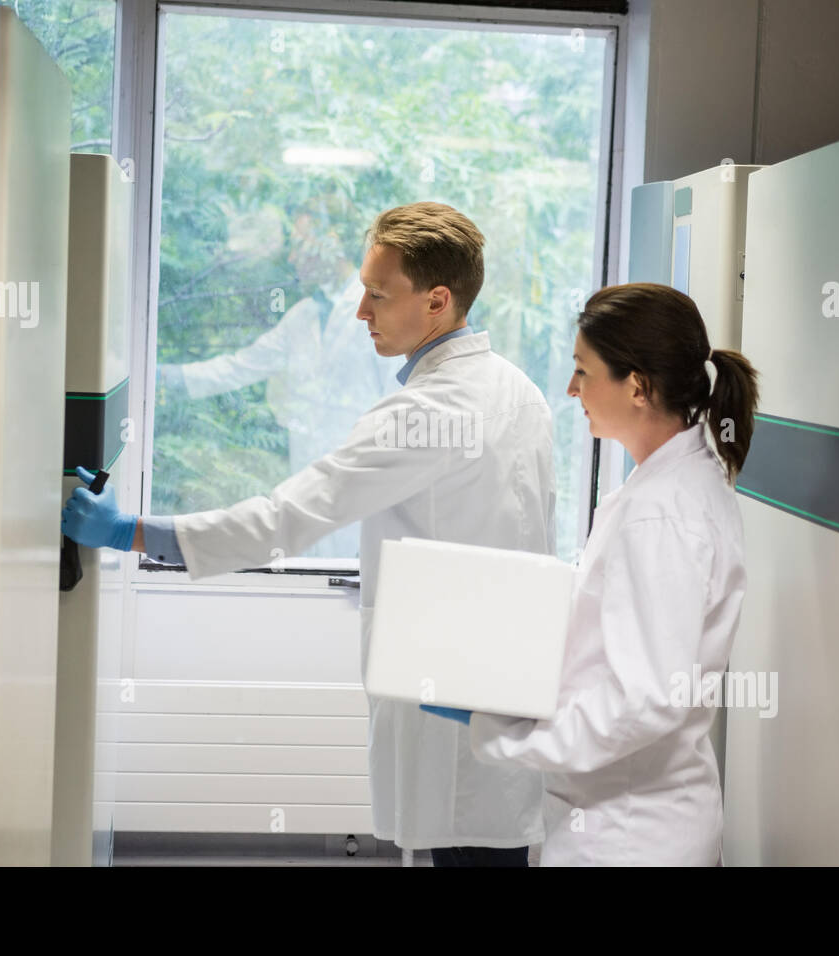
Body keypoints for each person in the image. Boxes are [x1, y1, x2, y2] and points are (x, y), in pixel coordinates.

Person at [64, 202, 555, 866]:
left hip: (453, 715)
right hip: (503, 694)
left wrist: (132, 533)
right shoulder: (518, 391)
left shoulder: (423, 413)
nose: (361, 312)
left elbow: (284, 519)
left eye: (378, 295)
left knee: (468, 852)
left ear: (438, 301)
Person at [423, 282, 759, 866]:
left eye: (583, 370)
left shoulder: (663, 513)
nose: (571, 388)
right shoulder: (662, 487)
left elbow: (645, 700)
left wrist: (505, 730)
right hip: (624, 816)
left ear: (636, 386)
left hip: (629, 834)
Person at [157, 198, 402, 558]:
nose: (291, 258)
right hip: (309, 475)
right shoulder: (302, 316)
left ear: (330, 242)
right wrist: (167, 377)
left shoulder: (377, 310)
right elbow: (242, 365)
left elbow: (397, 399)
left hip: (363, 480)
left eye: (299, 243)